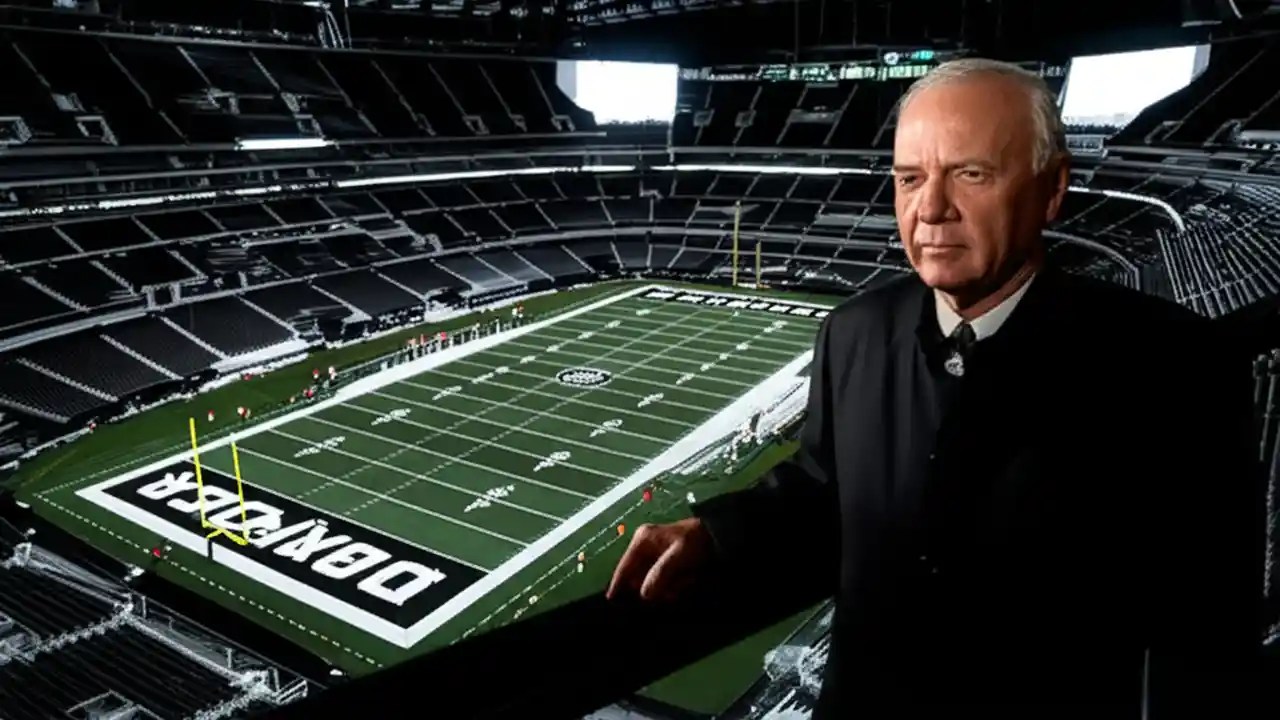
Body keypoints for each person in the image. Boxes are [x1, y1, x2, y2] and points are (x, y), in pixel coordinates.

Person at [607, 59, 1261, 718]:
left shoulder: (1172, 365)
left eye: (971, 174)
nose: (931, 209)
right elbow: (826, 486)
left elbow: (1207, 633)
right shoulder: (853, 332)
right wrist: (716, 533)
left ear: (1051, 189)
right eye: (909, 179)